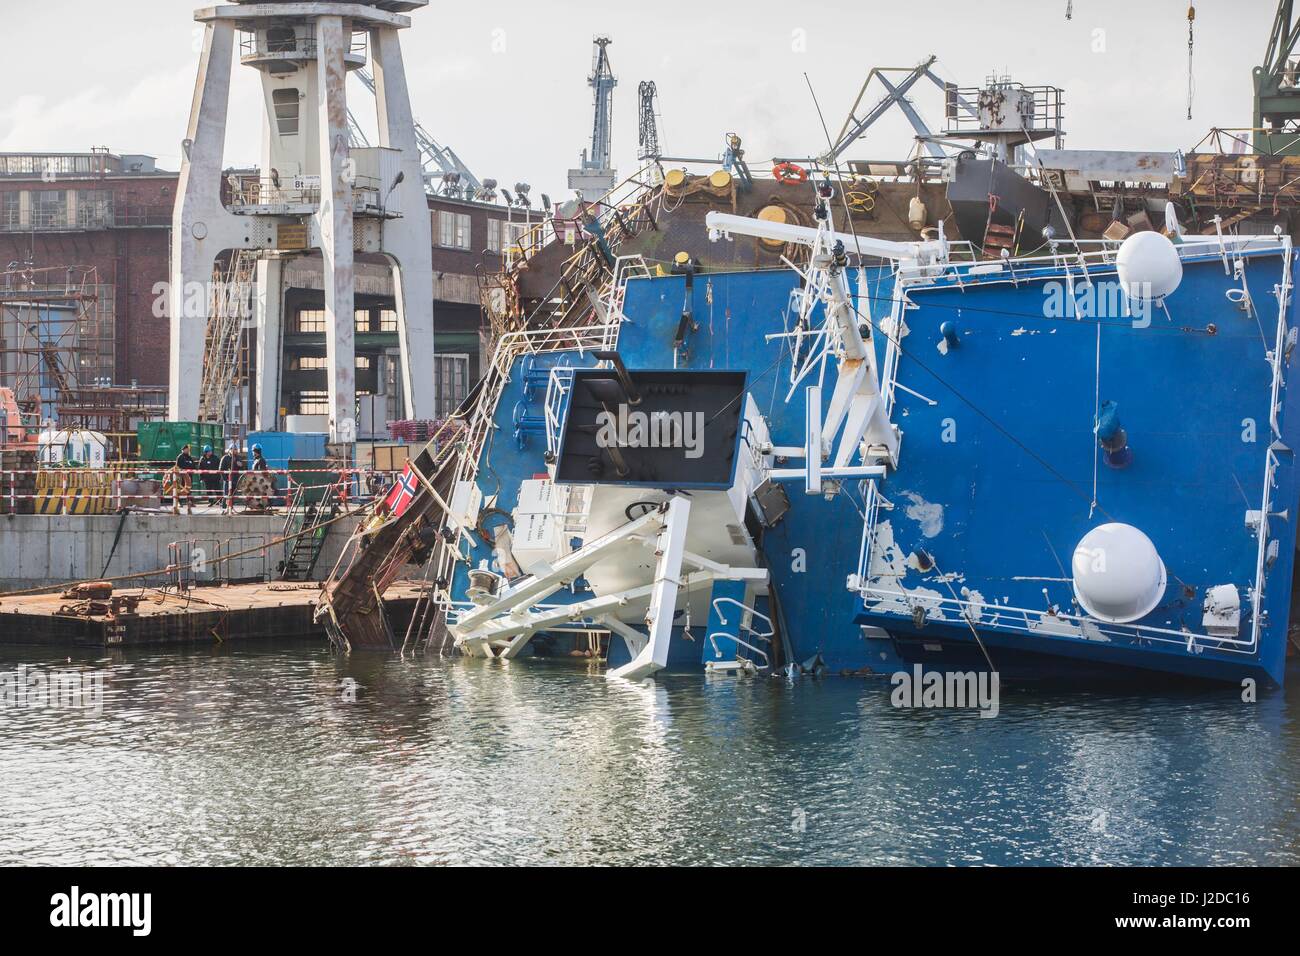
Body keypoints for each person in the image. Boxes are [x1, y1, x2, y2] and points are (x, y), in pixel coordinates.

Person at [173, 443, 197, 515]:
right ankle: (179, 502)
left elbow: (193, 465)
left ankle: (189, 502)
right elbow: (177, 467)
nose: (187, 450)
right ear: (183, 450)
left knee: (188, 490)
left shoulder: (189, 457)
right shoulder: (180, 457)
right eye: (186, 449)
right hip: (182, 477)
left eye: (188, 449)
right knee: (180, 490)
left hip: (189, 476)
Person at [217, 445, 240, 514]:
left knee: (232, 495)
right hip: (227, 480)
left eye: (236, 449)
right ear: (229, 450)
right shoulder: (225, 458)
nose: (234, 451)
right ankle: (224, 509)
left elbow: (241, 468)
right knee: (226, 494)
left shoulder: (238, 458)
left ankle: (230, 508)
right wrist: (225, 478)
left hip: (235, 480)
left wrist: (239, 464)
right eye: (233, 449)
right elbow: (221, 469)